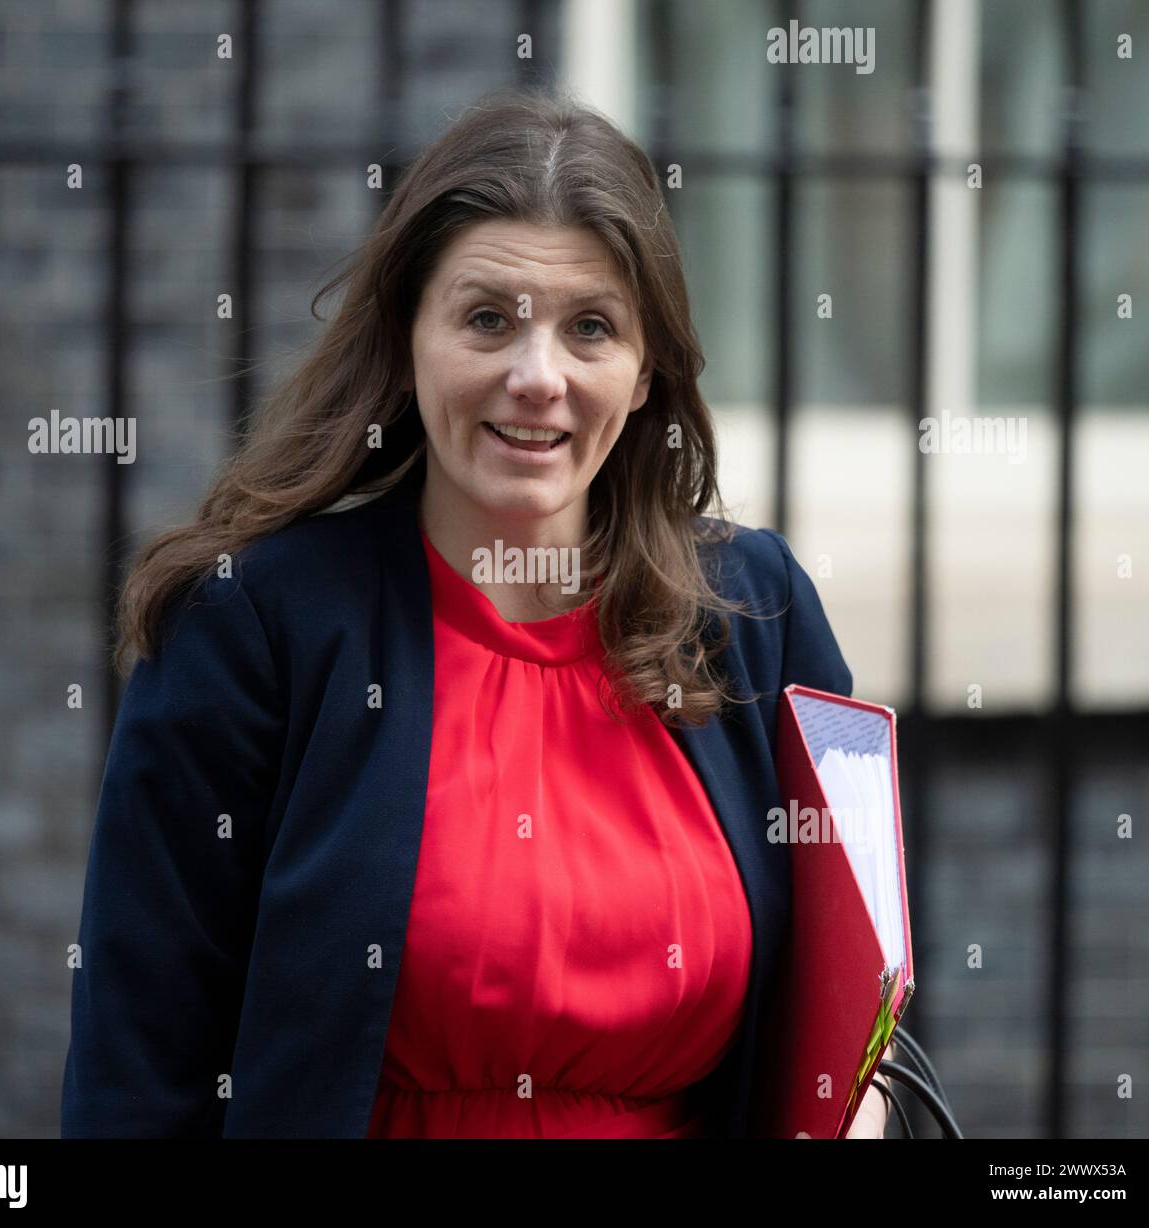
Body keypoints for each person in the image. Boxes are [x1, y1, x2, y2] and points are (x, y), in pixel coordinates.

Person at [60, 83, 885, 1139]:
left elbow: (858, 1004)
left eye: (591, 328)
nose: (537, 377)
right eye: (488, 318)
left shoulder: (754, 613)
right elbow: (139, 1072)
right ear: (409, 339)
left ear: (644, 376)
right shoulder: (255, 628)